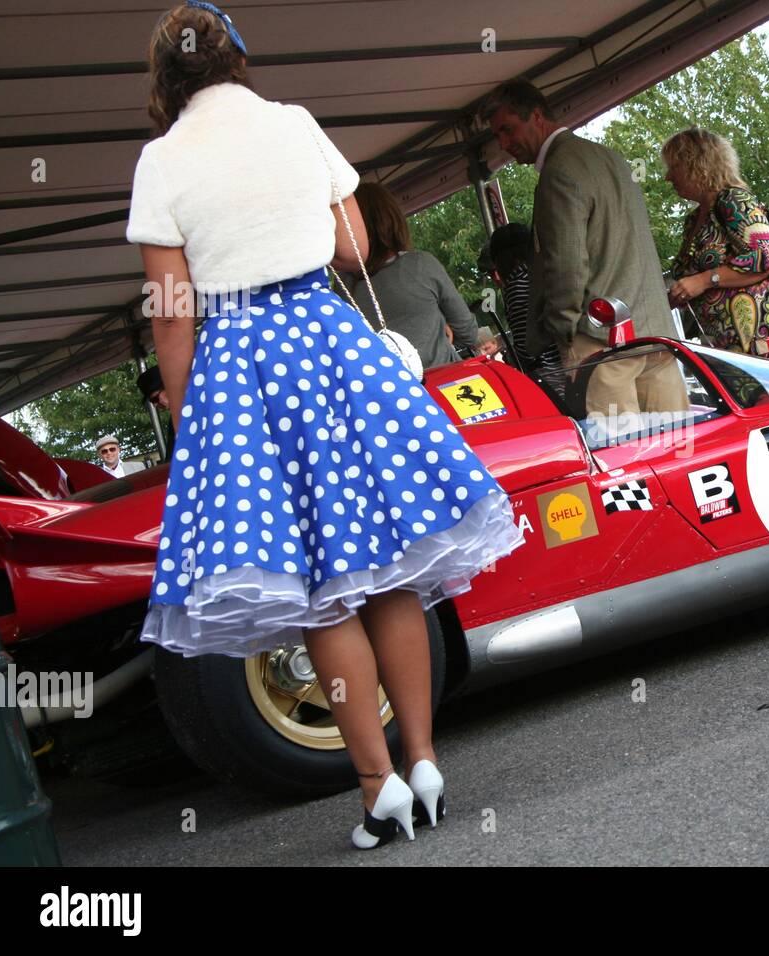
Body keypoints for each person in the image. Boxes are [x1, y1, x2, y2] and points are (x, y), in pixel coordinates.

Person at [125, 2, 522, 850]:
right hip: (329, 342)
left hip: (240, 363)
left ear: (166, 78)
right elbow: (351, 246)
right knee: (387, 570)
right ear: (237, 58)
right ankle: (423, 762)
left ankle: (375, 784)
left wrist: (189, 404)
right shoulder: (294, 124)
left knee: (318, 591)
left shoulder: (161, 162)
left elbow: (169, 309)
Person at [482, 80, 687, 420]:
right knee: (679, 449)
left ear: (536, 115)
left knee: (622, 456)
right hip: (655, 333)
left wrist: (566, 332)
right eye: (498, 136)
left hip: (602, 345)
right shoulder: (610, 158)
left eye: (507, 130)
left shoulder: (559, 171)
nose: (503, 144)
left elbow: (566, 265)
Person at [661, 127, 769, 361]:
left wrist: (703, 280)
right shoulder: (693, 220)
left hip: (766, 342)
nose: (667, 177)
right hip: (730, 347)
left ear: (696, 163)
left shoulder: (734, 199)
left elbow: (765, 260)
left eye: (673, 167)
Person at [349, 181, 481, 368]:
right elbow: (469, 333)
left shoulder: (343, 286)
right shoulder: (420, 264)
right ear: (394, 218)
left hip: (389, 393)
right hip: (445, 382)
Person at [483, 222, 567, 396]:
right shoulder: (542, 274)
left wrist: (511, 358)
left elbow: (527, 348)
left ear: (503, 261)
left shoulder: (516, 286)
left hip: (551, 379)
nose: (495, 276)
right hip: (569, 368)